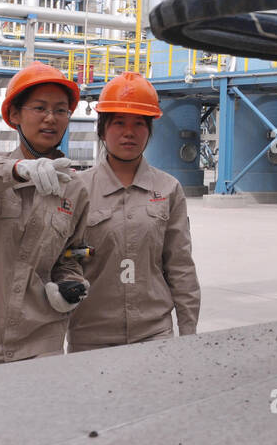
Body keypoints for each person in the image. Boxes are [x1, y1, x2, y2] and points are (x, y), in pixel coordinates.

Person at [0, 61, 92, 370]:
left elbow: (71, 255)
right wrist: (18, 170)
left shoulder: (75, 189)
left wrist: (69, 285)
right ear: (14, 115)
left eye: (61, 110)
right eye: (39, 107)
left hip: (40, 337)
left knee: (32, 417)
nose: (51, 118)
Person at [67, 72, 200, 353]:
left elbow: (180, 265)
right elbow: (62, 262)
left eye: (139, 123)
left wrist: (189, 333)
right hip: (92, 336)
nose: (129, 132)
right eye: (118, 123)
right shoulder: (77, 190)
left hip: (154, 333)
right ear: (102, 130)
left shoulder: (168, 189)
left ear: (149, 131)